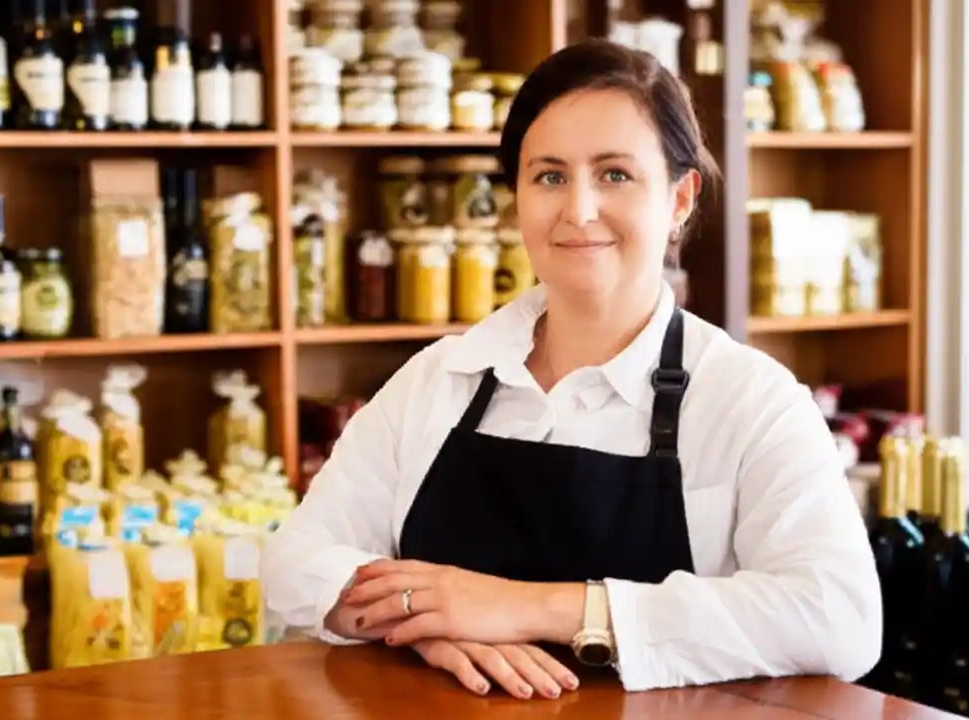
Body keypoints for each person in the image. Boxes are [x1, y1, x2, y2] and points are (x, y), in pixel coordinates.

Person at [261, 39, 881, 699]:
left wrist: (527, 607)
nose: (578, 210)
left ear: (679, 197)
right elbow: (294, 564)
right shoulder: (441, 377)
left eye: (615, 174)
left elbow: (838, 616)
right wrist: (432, 622)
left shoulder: (750, 400)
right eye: (549, 176)